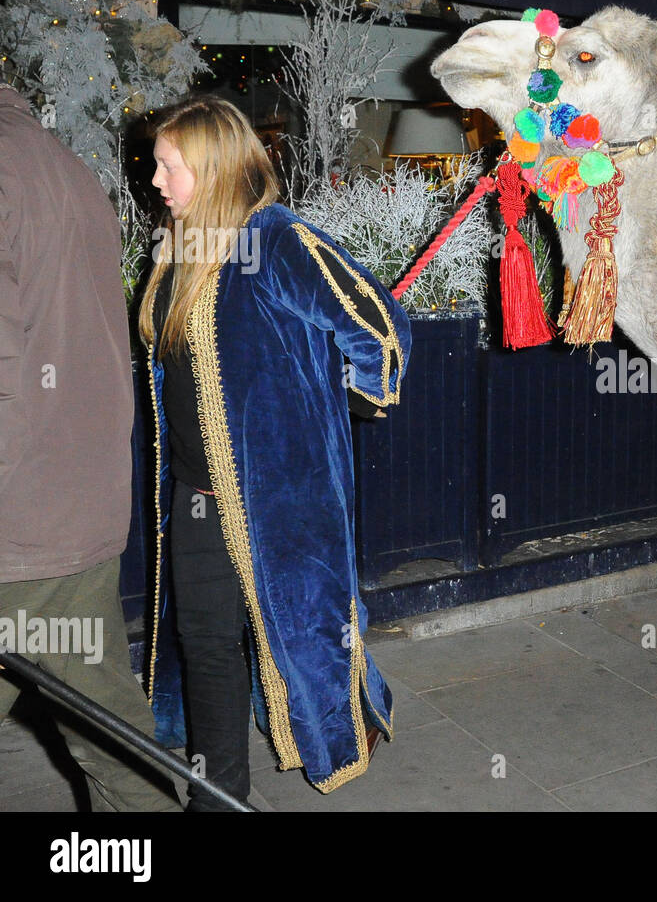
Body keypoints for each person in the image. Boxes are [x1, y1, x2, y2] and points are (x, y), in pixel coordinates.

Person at [139, 95, 411, 809]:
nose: (157, 181)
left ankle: (362, 705)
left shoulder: (278, 239)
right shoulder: (178, 246)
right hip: (194, 498)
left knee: (303, 637)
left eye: (168, 166)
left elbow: (380, 327)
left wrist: (339, 403)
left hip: (280, 499)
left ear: (211, 165)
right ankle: (218, 796)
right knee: (206, 651)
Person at [0, 83, 180, 811]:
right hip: (80, 503)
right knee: (109, 735)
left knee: (107, 728)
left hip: (16, 521)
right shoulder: (64, 166)